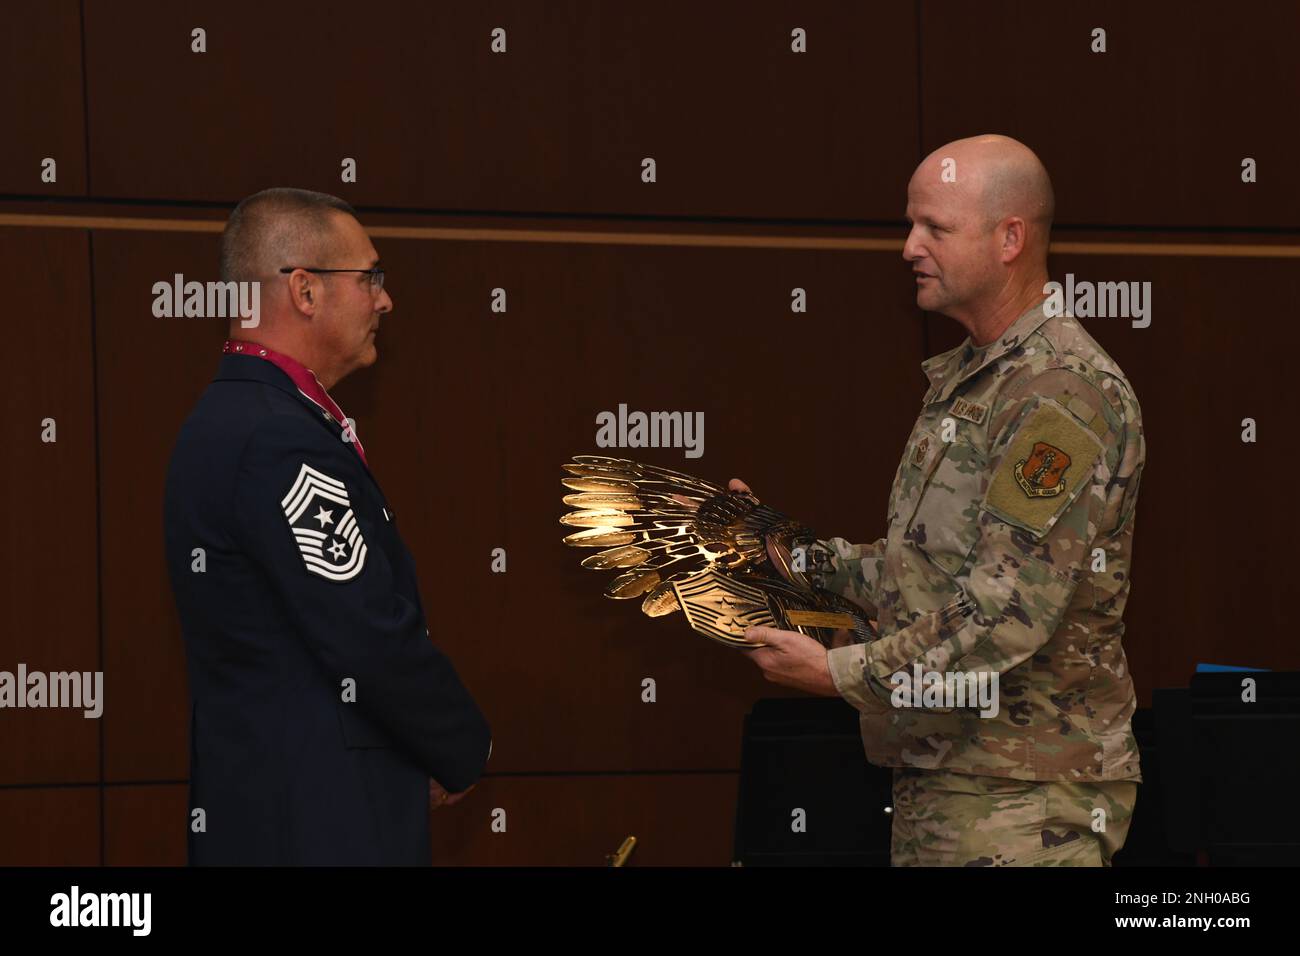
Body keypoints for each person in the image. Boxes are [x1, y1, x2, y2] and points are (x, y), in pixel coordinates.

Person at [735, 135, 1145, 866]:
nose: (908, 247)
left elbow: (1002, 613)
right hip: (952, 779)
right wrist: (789, 552)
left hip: (1026, 800)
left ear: (1009, 237)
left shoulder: (1060, 393)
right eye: (909, 223)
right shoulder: (973, 379)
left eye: (934, 228)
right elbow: (926, 574)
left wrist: (837, 673)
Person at [164, 187, 490, 865]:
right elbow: (365, 629)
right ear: (305, 291)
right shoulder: (277, 438)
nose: (384, 299)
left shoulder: (232, 420)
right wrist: (460, 744)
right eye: (369, 276)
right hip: (316, 823)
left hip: (272, 810)